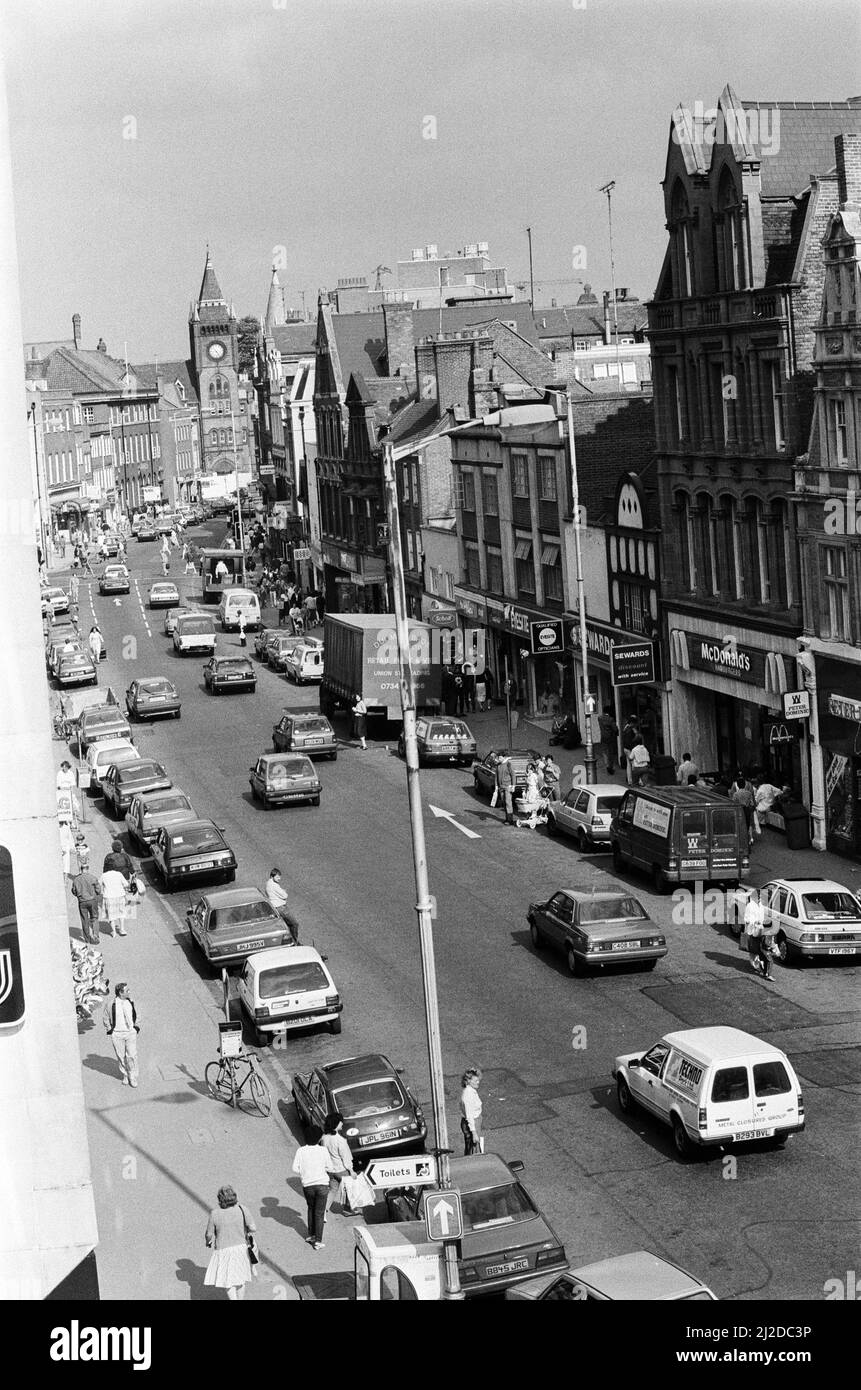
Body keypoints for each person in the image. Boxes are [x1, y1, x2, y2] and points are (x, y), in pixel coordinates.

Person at [204, 1185, 257, 1301]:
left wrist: (208, 1242)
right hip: (241, 1248)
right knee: (240, 1279)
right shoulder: (242, 1209)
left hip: (223, 1251)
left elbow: (209, 1234)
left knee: (228, 1281)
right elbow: (253, 1228)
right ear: (234, 1197)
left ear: (220, 1200)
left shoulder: (215, 1213)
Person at [292, 1125, 339, 1250]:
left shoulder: (301, 1151)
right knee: (319, 1213)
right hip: (322, 1185)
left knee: (311, 1209)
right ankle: (318, 1241)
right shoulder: (323, 1151)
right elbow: (330, 1167)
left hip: (308, 1185)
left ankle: (311, 1235)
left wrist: (305, 1172)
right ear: (318, 1138)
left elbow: (295, 1168)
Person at [103, 982, 140, 1085]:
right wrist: (110, 1029)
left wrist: (136, 1027)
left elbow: (137, 1014)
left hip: (130, 1033)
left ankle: (132, 1076)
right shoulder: (111, 1004)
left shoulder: (131, 1002)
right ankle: (125, 1075)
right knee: (121, 1056)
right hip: (117, 1034)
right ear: (120, 992)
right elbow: (105, 1017)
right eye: (127, 990)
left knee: (132, 1055)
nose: (129, 992)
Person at [322, 1113, 358, 1213]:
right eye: (340, 1122)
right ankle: (349, 1209)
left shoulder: (324, 1138)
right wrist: (351, 1171)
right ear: (336, 1124)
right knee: (350, 1188)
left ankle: (323, 1210)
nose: (342, 1124)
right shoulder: (340, 1140)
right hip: (341, 1170)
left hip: (331, 1170)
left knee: (333, 1190)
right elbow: (346, 1157)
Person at [264, 868, 300, 944]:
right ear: (272, 876)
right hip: (281, 908)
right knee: (294, 923)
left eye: (280, 877)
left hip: (275, 907)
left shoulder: (267, 883)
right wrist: (283, 891)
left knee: (286, 924)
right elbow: (285, 895)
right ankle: (295, 941)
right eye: (277, 877)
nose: (279, 878)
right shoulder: (274, 885)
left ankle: (290, 940)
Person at [743, 894, 774, 981]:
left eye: (760, 896)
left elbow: (762, 917)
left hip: (759, 929)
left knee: (759, 948)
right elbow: (746, 919)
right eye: (758, 896)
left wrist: (762, 923)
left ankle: (760, 965)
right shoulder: (749, 906)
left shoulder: (761, 906)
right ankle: (756, 965)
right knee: (753, 950)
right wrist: (753, 922)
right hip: (752, 930)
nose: (759, 898)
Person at [72, 864, 101, 943]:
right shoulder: (92, 878)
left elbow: (74, 891)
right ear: (87, 869)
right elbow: (98, 890)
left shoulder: (76, 880)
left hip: (82, 901)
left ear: (81, 869)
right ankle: (95, 936)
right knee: (94, 918)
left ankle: (87, 938)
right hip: (92, 900)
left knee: (84, 920)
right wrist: (96, 894)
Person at [100, 865, 130, 937]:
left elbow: (98, 884)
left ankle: (114, 932)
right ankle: (122, 929)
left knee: (111, 915)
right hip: (119, 896)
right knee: (121, 913)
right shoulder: (119, 874)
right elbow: (126, 884)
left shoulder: (104, 875)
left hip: (109, 897)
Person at [516, 762, 548, 829]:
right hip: (529, 791)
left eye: (530, 769)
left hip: (533, 790)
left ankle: (535, 816)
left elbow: (537, 784)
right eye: (528, 769)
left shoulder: (534, 775)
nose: (529, 770)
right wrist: (525, 791)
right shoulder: (528, 775)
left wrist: (540, 790)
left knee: (533, 803)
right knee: (529, 803)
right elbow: (527, 784)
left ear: (533, 770)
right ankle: (531, 816)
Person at [460, 1067, 483, 1155]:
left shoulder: (471, 1091)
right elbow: (469, 1116)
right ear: (469, 1081)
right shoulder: (468, 1095)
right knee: (473, 1150)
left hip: (474, 1122)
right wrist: (474, 1133)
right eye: (476, 1080)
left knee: (472, 1148)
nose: (478, 1082)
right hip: (472, 1124)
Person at [730, 773, 756, 846]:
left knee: (740, 826)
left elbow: (733, 804)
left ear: (737, 785)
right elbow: (752, 803)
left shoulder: (735, 794)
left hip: (739, 811)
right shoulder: (749, 793)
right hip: (747, 811)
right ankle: (749, 840)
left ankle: (741, 841)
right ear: (745, 785)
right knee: (748, 825)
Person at [597, 705, 619, 774]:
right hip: (610, 738)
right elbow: (615, 729)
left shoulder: (599, 718)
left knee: (604, 751)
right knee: (610, 753)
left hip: (603, 737)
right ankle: (610, 766)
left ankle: (606, 764)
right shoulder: (611, 719)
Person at [496, 754, 515, 825]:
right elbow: (496, 776)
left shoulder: (508, 764)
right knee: (504, 802)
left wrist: (513, 785)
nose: (499, 759)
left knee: (508, 802)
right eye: (498, 757)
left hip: (508, 786)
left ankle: (510, 820)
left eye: (500, 757)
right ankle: (507, 818)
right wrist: (496, 785)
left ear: (503, 757)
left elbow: (513, 774)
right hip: (501, 787)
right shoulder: (498, 765)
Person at [620, 717, 639, 783]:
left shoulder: (625, 728)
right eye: (635, 723)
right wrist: (636, 734)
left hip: (625, 748)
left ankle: (629, 780)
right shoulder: (630, 730)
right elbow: (632, 740)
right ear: (632, 723)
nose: (636, 725)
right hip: (630, 749)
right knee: (634, 765)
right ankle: (636, 780)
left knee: (628, 765)